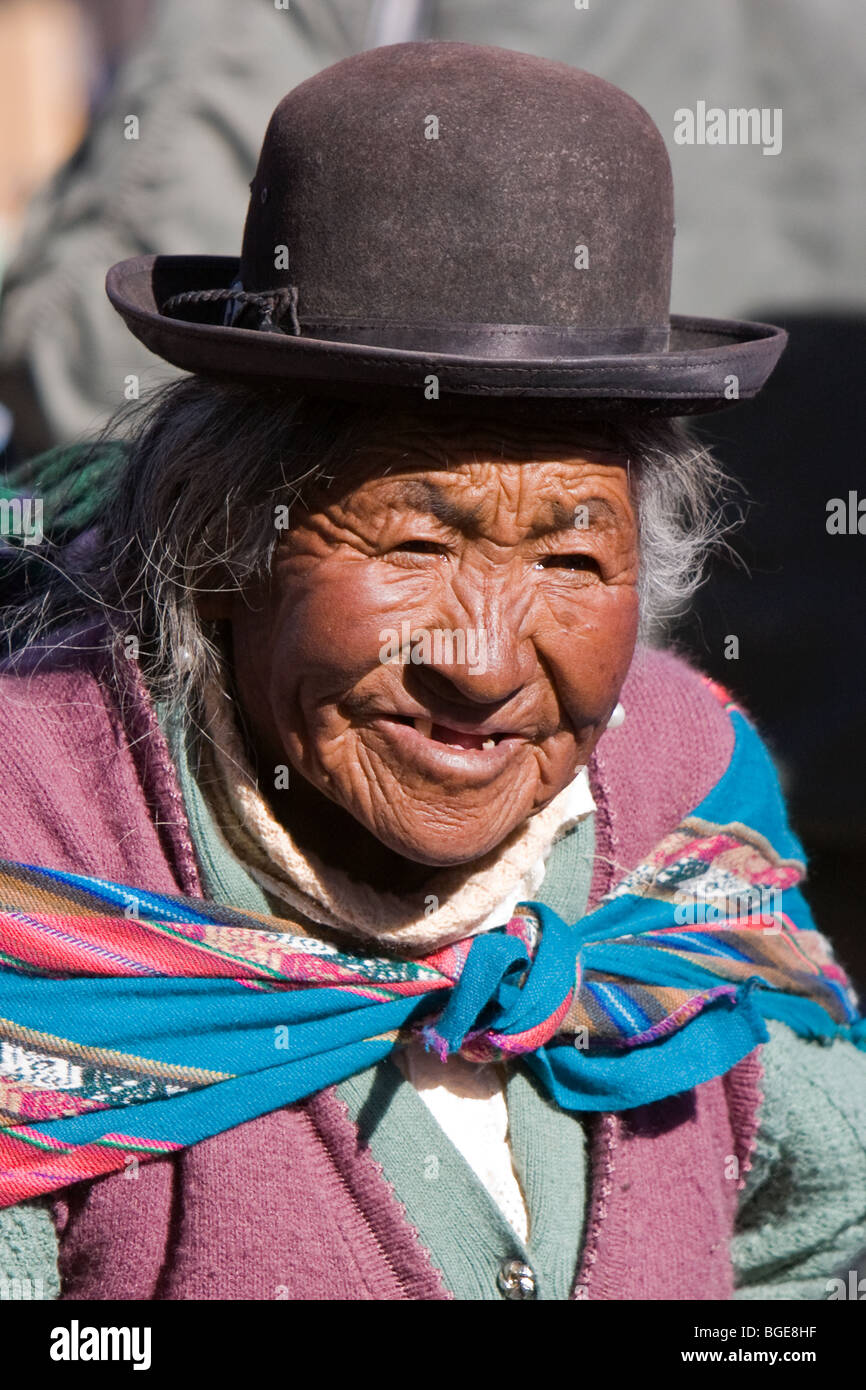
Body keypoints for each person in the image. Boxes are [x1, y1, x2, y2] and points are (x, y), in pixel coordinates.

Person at [0, 42, 863, 1302]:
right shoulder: (45, 844)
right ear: (222, 544)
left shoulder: (687, 808)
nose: (483, 663)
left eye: (572, 555)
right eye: (411, 542)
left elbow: (813, 1237)